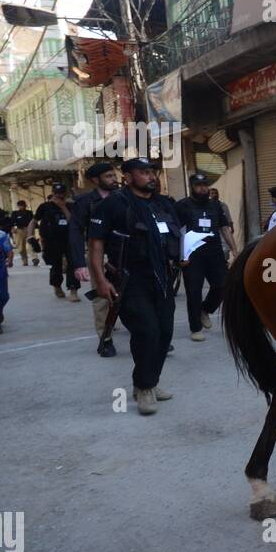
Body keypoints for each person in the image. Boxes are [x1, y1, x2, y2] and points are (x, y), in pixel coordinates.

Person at [87, 158, 181, 415]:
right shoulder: (112, 205)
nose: (151, 177)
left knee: (165, 333)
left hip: (162, 278)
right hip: (130, 280)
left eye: (152, 172)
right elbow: (96, 246)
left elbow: (174, 235)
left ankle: (152, 380)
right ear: (127, 177)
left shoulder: (163, 204)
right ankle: (144, 387)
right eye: (144, 172)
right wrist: (101, 281)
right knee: (147, 332)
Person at [69, 161, 121, 357]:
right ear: (95, 180)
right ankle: (105, 338)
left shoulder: (123, 197)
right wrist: (79, 264)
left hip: (125, 252)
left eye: (114, 175)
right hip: (99, 254)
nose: (114, 179)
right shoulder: (85, 202)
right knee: (102, 298)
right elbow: (75, 231)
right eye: (108, 176)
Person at [175, 172, 231, 343]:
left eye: (205, 185)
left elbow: (224, 228)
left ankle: (205, 310)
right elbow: (176, 231)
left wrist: (234, 249)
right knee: (193, 292)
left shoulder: (216, 205)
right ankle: (195, 328)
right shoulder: (182, 205)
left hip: (214, 253)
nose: (203, 188)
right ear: (192, 187)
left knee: (222, 286)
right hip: (193, 254)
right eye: (199, 186)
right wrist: (180, 254)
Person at [33, 184, 80, 300]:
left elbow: (73, 222)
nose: (60, 196)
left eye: (62, 193)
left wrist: (63, 207)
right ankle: (57, 285)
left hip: (69, 239)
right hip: (52, 241)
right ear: (53, 193)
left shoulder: (71, 205)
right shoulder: (45, 206)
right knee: (56, 265)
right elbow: (34, 221)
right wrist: (30, 236)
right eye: (57, 193)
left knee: (73, 264)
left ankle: (73, 290)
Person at [9, 200, 35, 266]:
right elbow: (11, 222)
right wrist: (12, 228)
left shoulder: (29, 213)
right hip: (19, 230)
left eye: (23, 205)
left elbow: (33, 221)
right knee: (20, 247)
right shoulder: (15, 213)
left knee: (31, 244)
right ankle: (24, 261)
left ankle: (35, 258)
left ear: (25, 206)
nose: (22, 207)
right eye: (20, 205)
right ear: (18, 206)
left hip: (29, 230)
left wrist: (33, 228)